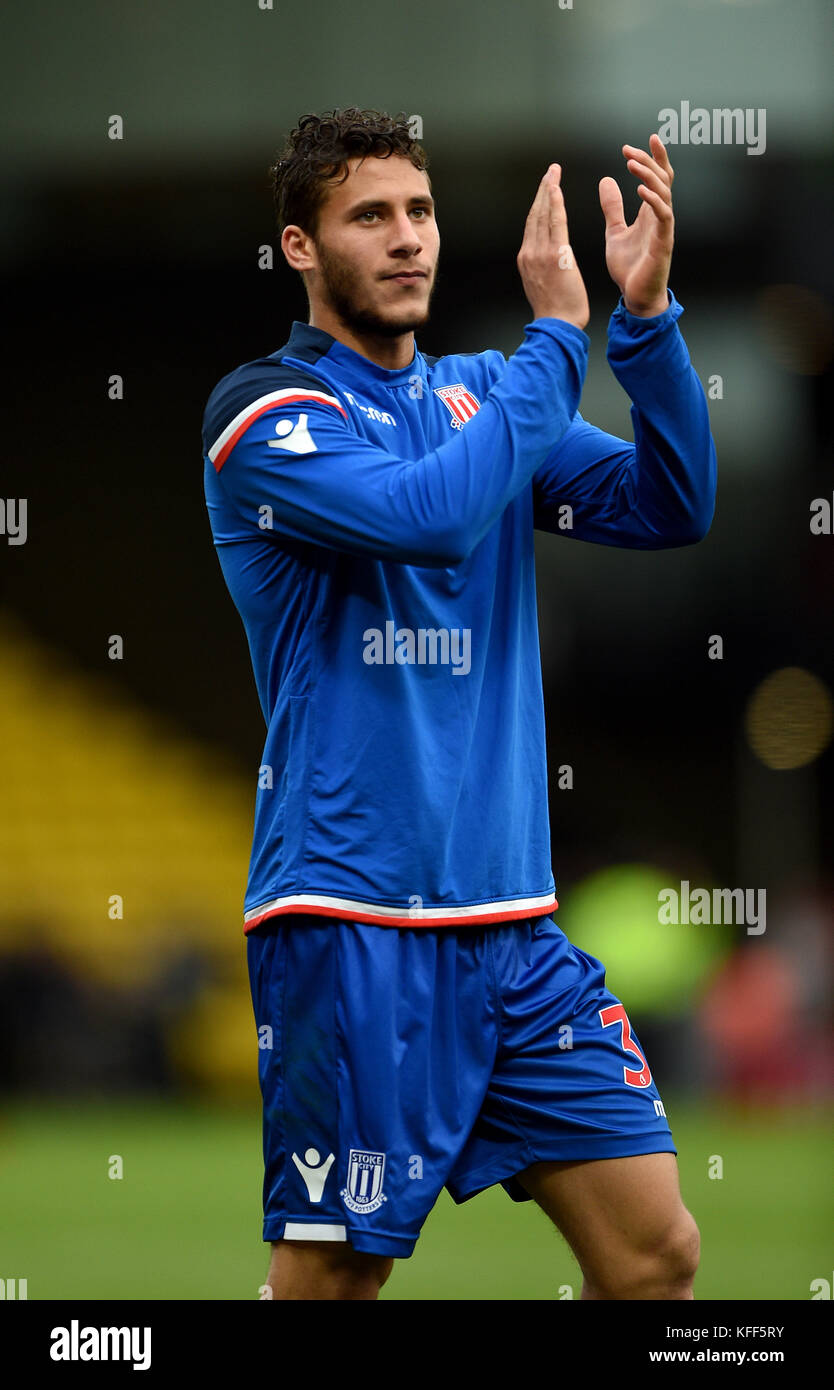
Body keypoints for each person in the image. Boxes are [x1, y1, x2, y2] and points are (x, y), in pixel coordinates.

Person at [202, 107, 716, 1301]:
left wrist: (641, 325)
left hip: (517, 929)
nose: (406, 240)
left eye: (421, 211)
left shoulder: (489, 396)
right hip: (351, 919)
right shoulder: (265, 416)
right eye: (369, 216)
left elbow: (669, 501)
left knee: (656, 1255)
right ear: (299, 246)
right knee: (334, 1277)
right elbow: (423, 513)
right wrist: (553, 339)